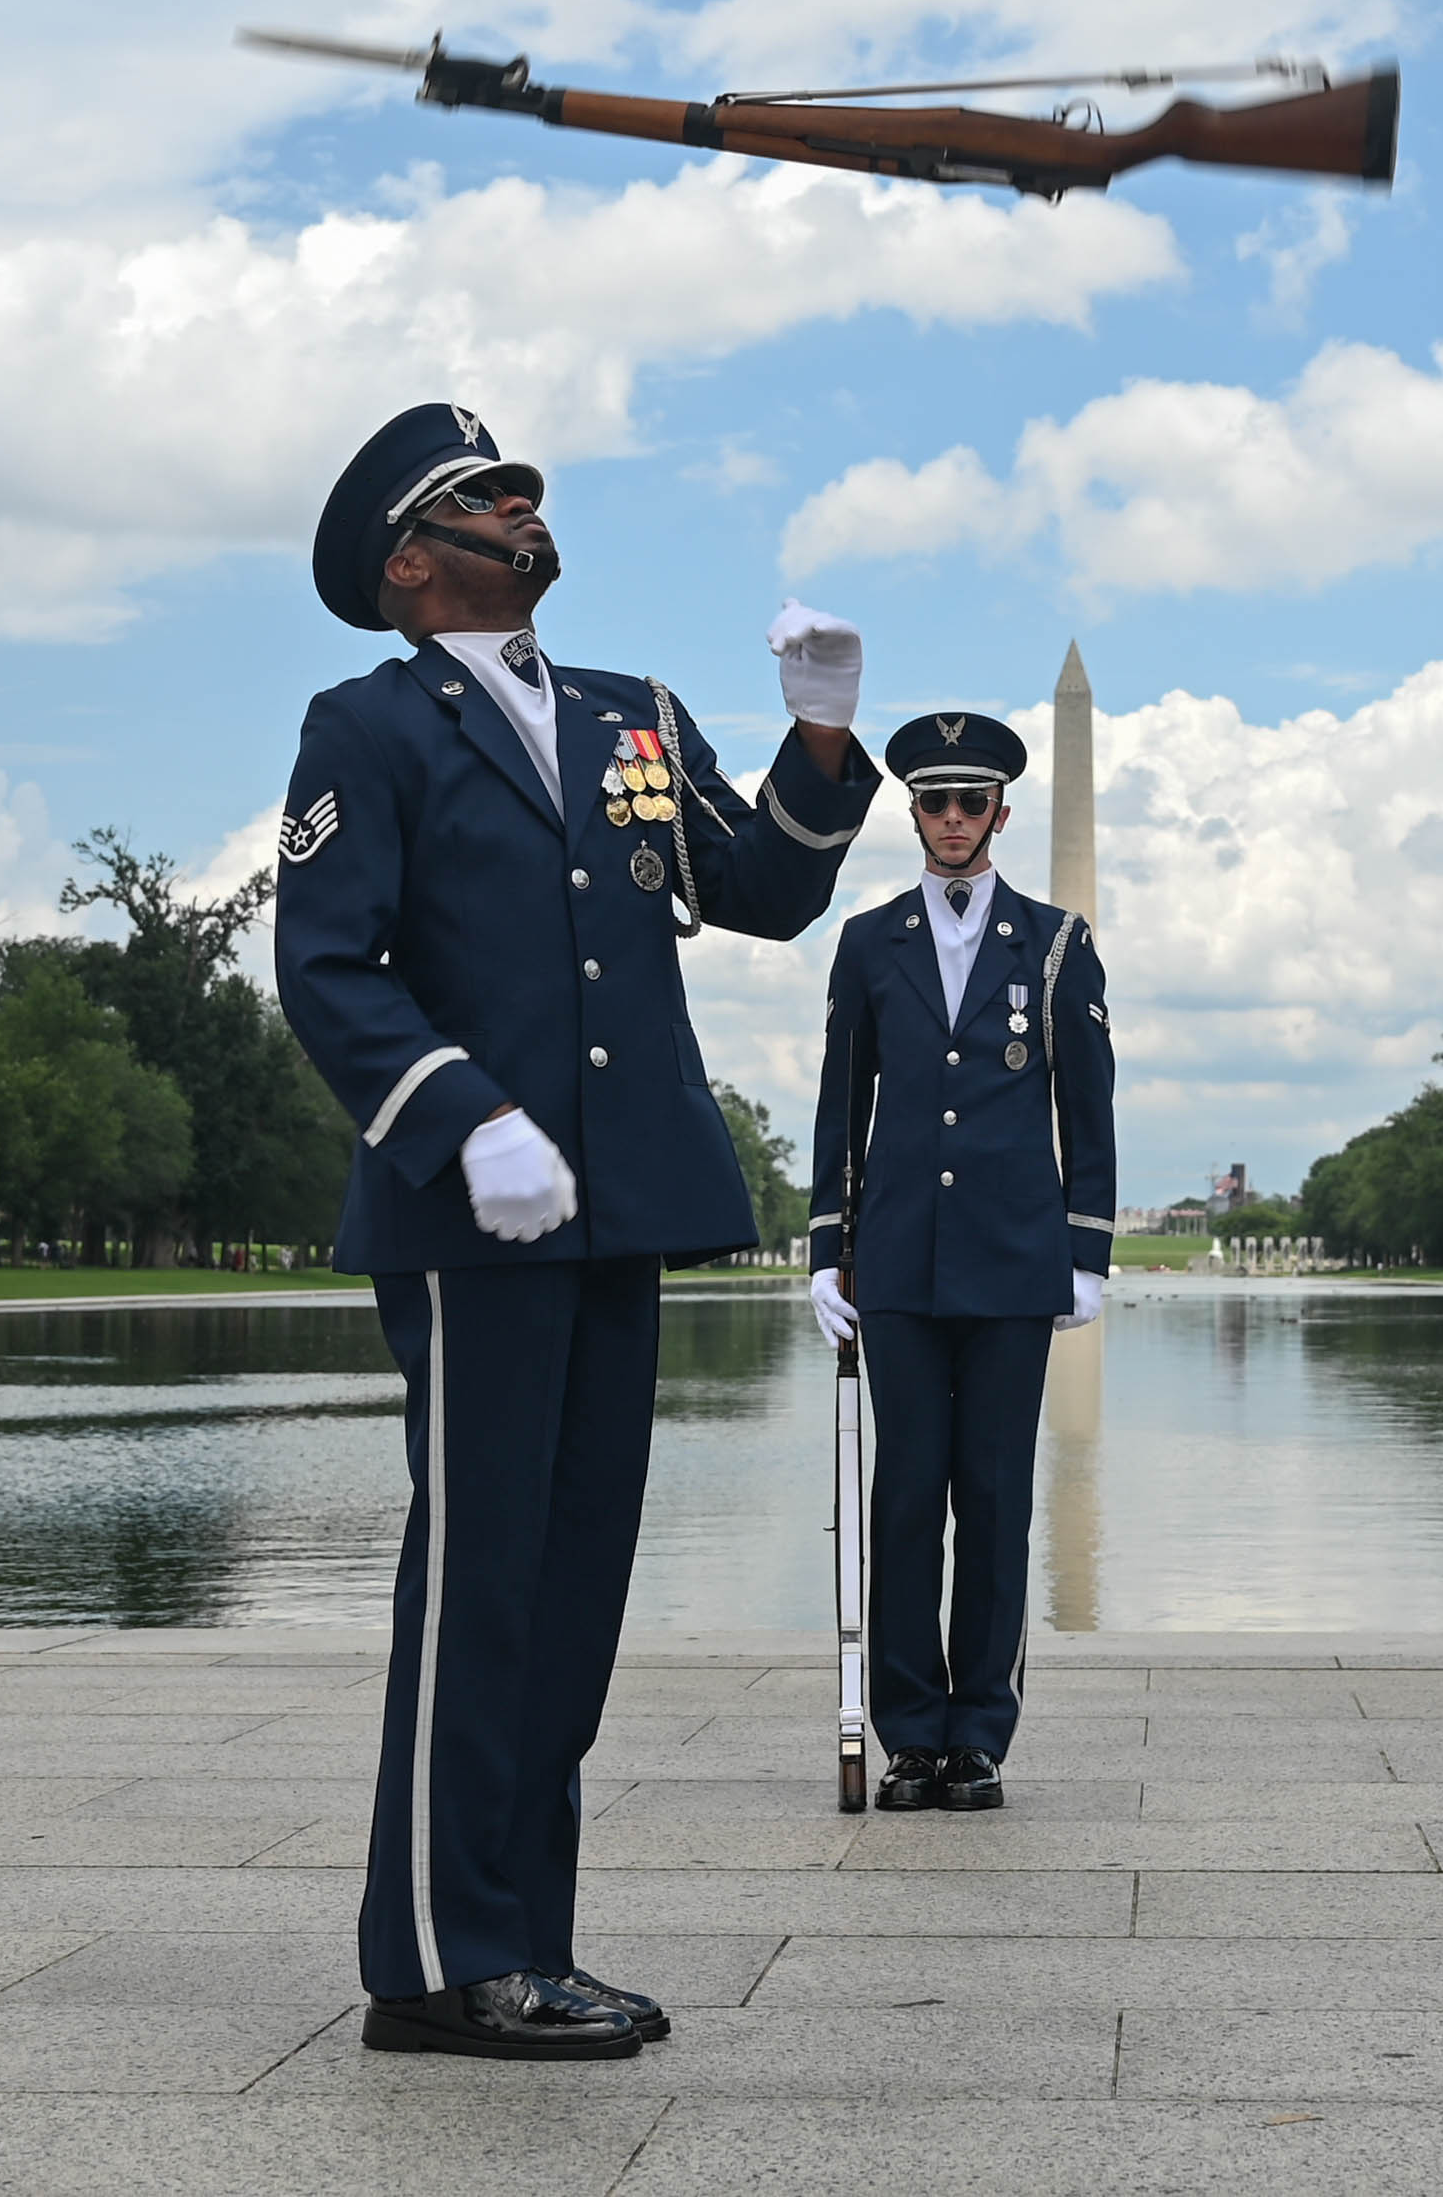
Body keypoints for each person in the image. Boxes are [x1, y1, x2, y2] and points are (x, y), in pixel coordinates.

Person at [275, 403, 880, 2063]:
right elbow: (326, 964)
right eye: (483, 497)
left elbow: (760, 888)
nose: (522, 507)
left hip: (617, 1202)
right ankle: (430, 1956)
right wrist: (460, 1113)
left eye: (524, 487)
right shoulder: (367, 724)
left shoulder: (632, 714)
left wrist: (820, 739)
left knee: (569, 1587)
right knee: (479, 1580)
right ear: (413, 562)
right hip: (475, 1211)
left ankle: (520, 1940)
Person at [803, 709, 1115, 1814]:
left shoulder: (1057, 942)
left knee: (991, 1500)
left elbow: (1088, 1105)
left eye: (968, 802)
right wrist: (828, 1250)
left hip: (1013, 1259)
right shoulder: (867, 940)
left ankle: (977, 1732)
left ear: (1000, 814)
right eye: (933, 801)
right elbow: (842, 1103)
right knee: (901, 1499)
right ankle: (909, 1733)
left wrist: (1086, 1249)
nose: (950, 818)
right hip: (897, 1260)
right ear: (913, 812)